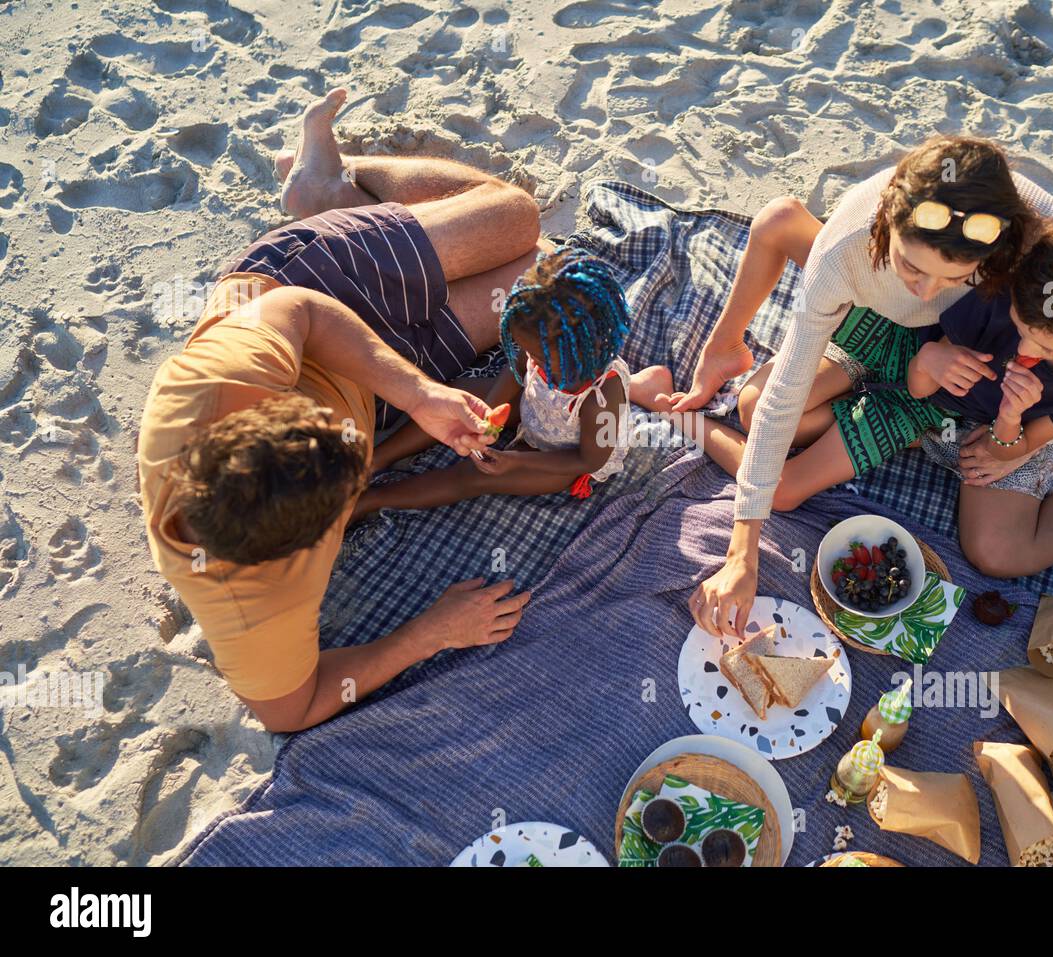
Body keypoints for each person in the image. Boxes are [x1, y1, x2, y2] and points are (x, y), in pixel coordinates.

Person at [673, 135, 1053, 638]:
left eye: (953, 276)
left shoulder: (1045, 244)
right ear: (888, 219)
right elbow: (785, 398)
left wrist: (1025, 439)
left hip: (998, 404)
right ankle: (904, 418)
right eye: (911, 265)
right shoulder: (850, 254)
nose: (924, 291)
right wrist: (741, 552)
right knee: (759, 408)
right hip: (904, 350)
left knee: (997, 551)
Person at [138, 89, 539, 732]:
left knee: (517, 217)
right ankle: (341, 203)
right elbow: (291, 711)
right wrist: (431, 633)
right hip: (368, 391)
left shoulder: (221, 382)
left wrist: (421, 395)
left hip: (302, 288)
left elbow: (300, 310)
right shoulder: (247, 606)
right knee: (534, 280)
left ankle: (329, 186)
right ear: (308, 539)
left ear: (259, 418)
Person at [351, 248, 667, 516]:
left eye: (541, 359)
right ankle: (379, 457)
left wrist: (512, 460)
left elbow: (590, 457)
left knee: (475, 476)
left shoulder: (602, 395)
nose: (532, 360)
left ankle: (373, 500)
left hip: (561, 456)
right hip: (535, 408)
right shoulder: (541, 344)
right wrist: (487, 416)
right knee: (458, 396)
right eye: (529, 352)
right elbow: (516, 372)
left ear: (587, 347)